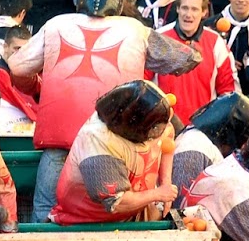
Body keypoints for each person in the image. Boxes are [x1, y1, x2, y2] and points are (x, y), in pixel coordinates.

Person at [10, 0, 196, 221]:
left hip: (66, 142)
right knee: (120, 215)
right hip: (115, 144)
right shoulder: (135, 29)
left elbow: (18, 68)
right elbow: (186, 59)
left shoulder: (56, 24)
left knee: (45, 214)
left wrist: (36, 87)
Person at [50, 79, 176, 225]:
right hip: (88, 222)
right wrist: (157, 194)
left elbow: (168, 137)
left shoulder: (151, 113)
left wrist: (165, 182)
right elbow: (117, 202)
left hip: (137, 211)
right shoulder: (98, 142)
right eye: (156, 128)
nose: (160, 130)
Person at [155, 0, 237, 123]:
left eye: (194, 9)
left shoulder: (216, 43)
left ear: (204, 12)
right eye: (185, 8)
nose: (188, 14)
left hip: (202, 127)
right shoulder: (158, 38)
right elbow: (143, 80)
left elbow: (228, 90)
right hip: (163, 125)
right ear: (177, 9)